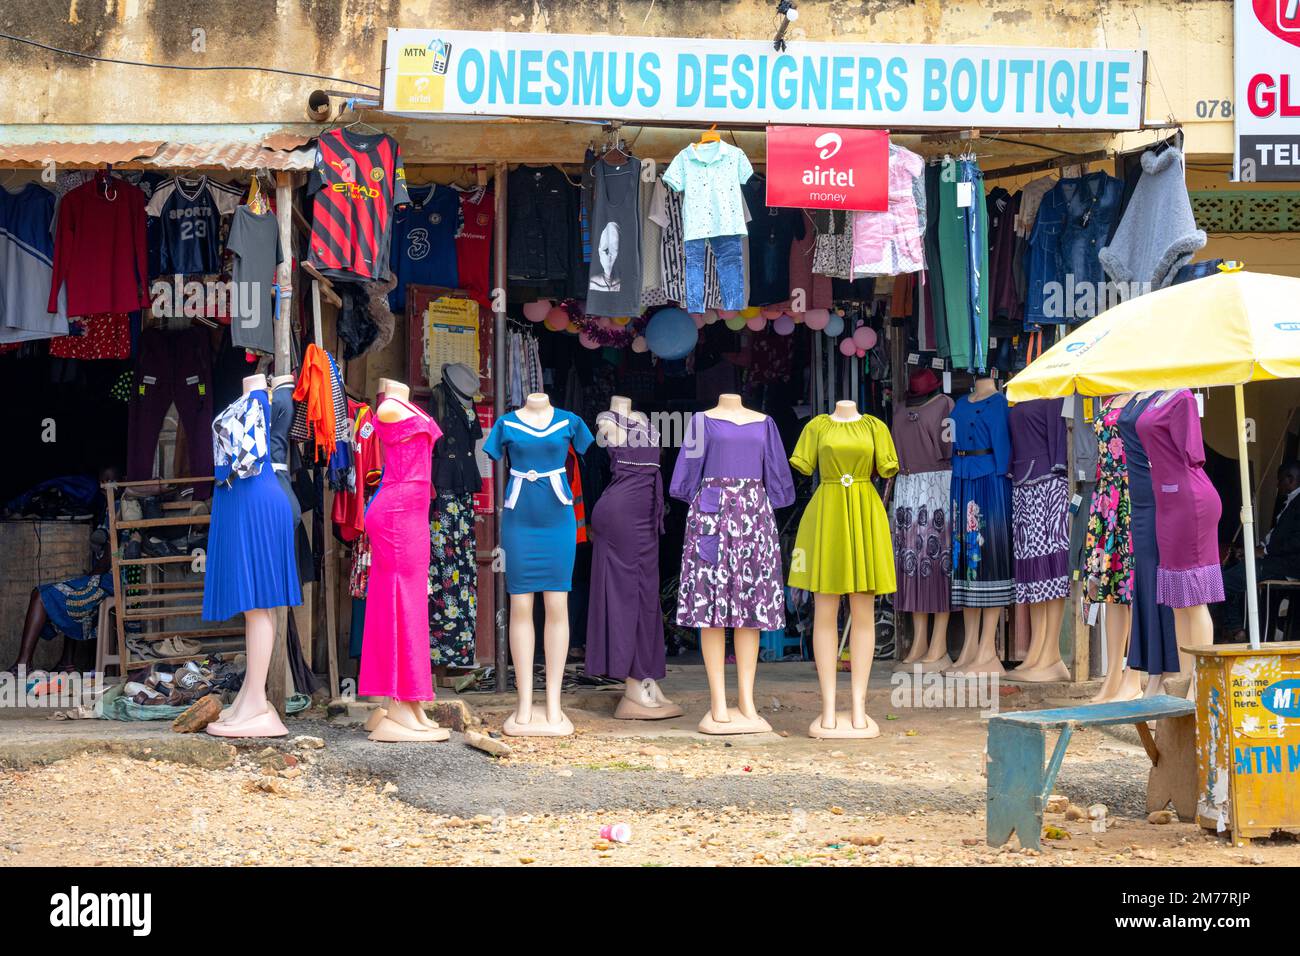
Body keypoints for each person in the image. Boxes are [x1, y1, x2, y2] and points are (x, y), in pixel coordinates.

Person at [1220, 461, 1300, 639]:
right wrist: (1257, 549)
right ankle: (1234, 626)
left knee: (1224, 581)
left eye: (1280, 481)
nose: (1278, 485)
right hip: (1275, 559)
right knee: (1230, 569)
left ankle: (1235, 629)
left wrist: (1265, 552)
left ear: (1290, 479)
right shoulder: (1291, 502)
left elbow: (1296, 541)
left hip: (1288, 565)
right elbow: (1277, 537)